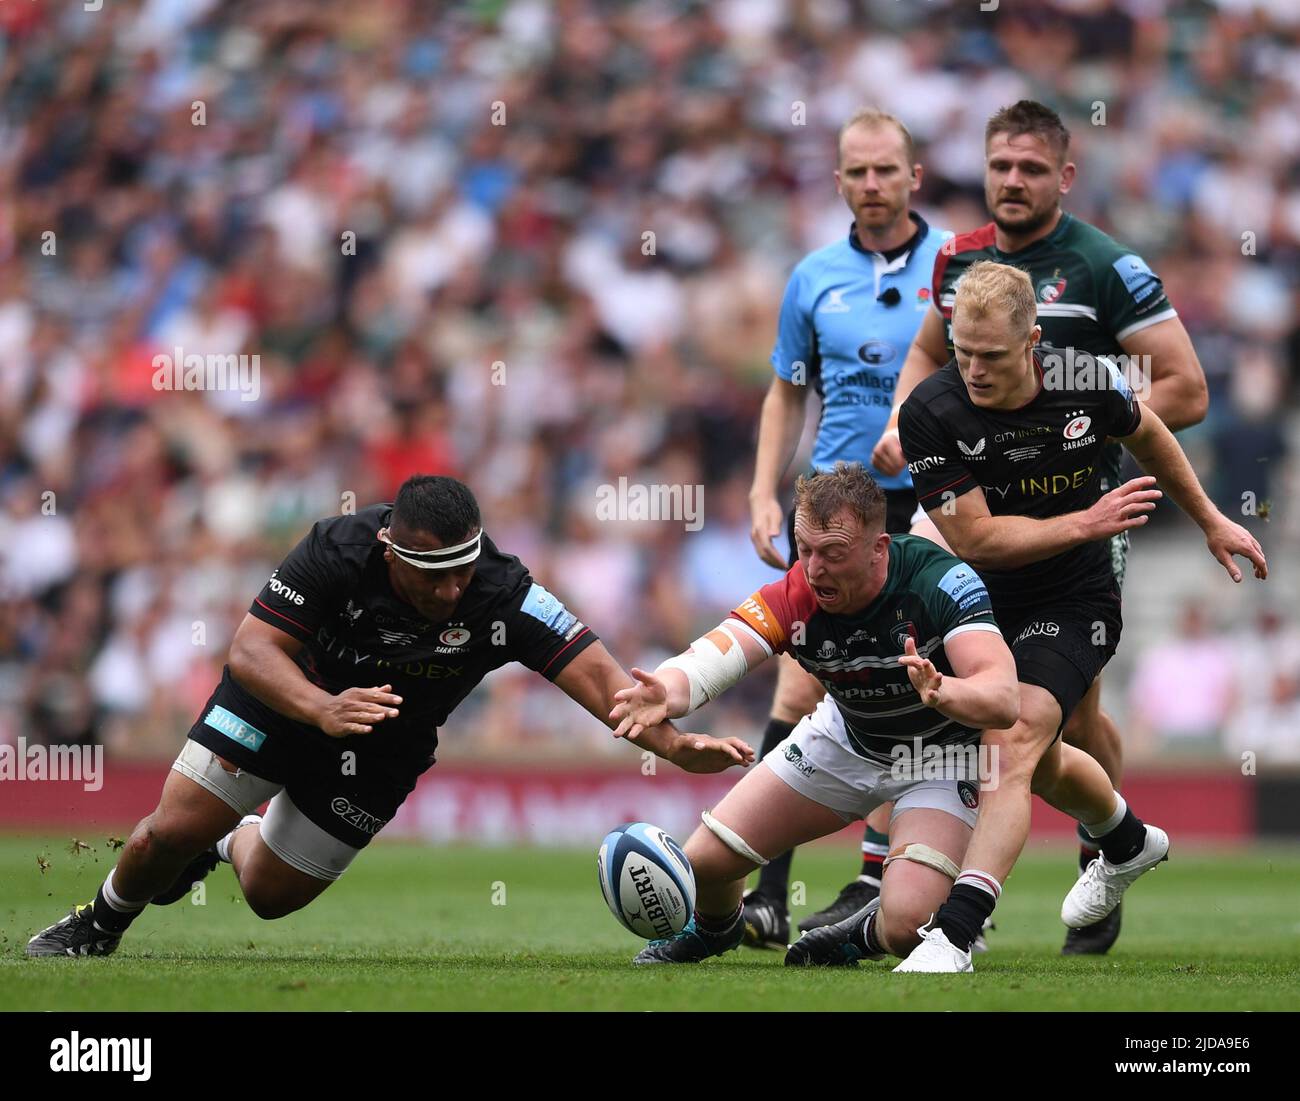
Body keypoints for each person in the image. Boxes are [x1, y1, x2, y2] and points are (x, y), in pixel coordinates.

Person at [27, 475, 752, 958]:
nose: (451, 590)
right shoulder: (334, 548)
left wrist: (671, 741)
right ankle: (98, 923)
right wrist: (320, 706)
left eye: (464, 571)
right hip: (284, 698)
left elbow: (603, 680)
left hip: (384, 745)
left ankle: (231, 841)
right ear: (388, 546)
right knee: (166, 833)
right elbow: (252, 649)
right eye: (434, 574)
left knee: (270, 897)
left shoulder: (504, 593)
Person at [811, 260, 1263, 973]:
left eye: (991, 355)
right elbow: (976, 539)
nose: (975, 370)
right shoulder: (932, 410)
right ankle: (1124, 838)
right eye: (963, 352)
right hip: (976, 595)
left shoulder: (1084, 379)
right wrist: (1086, 520)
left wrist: (1209, 519)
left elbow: (1149, 434)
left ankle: (955, 932)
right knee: (1036, 756)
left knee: (1014, 739)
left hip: (1073, 597)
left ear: (1032, 343)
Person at [869, 100, 1210, 955]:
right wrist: (900, 416)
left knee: (1059, 719)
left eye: (1029, 168)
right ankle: (1106, 845)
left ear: (1063, 176)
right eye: (998, 166)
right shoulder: (956, 256)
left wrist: (1064, 435)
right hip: (979, 517)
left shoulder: (1106, 266)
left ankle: (1096, 863)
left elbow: (1185, 390)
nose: (1010, 181)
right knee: (997, 716)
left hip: (1082, 516)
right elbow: (927, 355)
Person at [612, 462, 1020, 965]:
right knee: (702, 867)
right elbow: (720, 651)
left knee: (911, 926)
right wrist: (670, 690)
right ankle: (717, 928)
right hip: (846, 739)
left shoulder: (940, 580)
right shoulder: (797, 592)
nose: (813, 568)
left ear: (879, 548)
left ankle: (864, 930)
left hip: (937, 758)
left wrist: (945, 692)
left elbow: (1004, 698)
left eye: (833, 553)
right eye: (804, 550)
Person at [745, 108, 952, 948]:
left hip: (936, 499)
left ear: (914, 177)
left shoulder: (957, 265)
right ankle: (768, 892)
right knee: (799, 686)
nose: (871, 184)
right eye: (856, 172)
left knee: (916, 679)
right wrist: (765, 491)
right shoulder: (813, 276)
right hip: (835, 504)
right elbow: (787, 388)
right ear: (837, 181)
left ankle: (875, 876)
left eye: (884, 170)